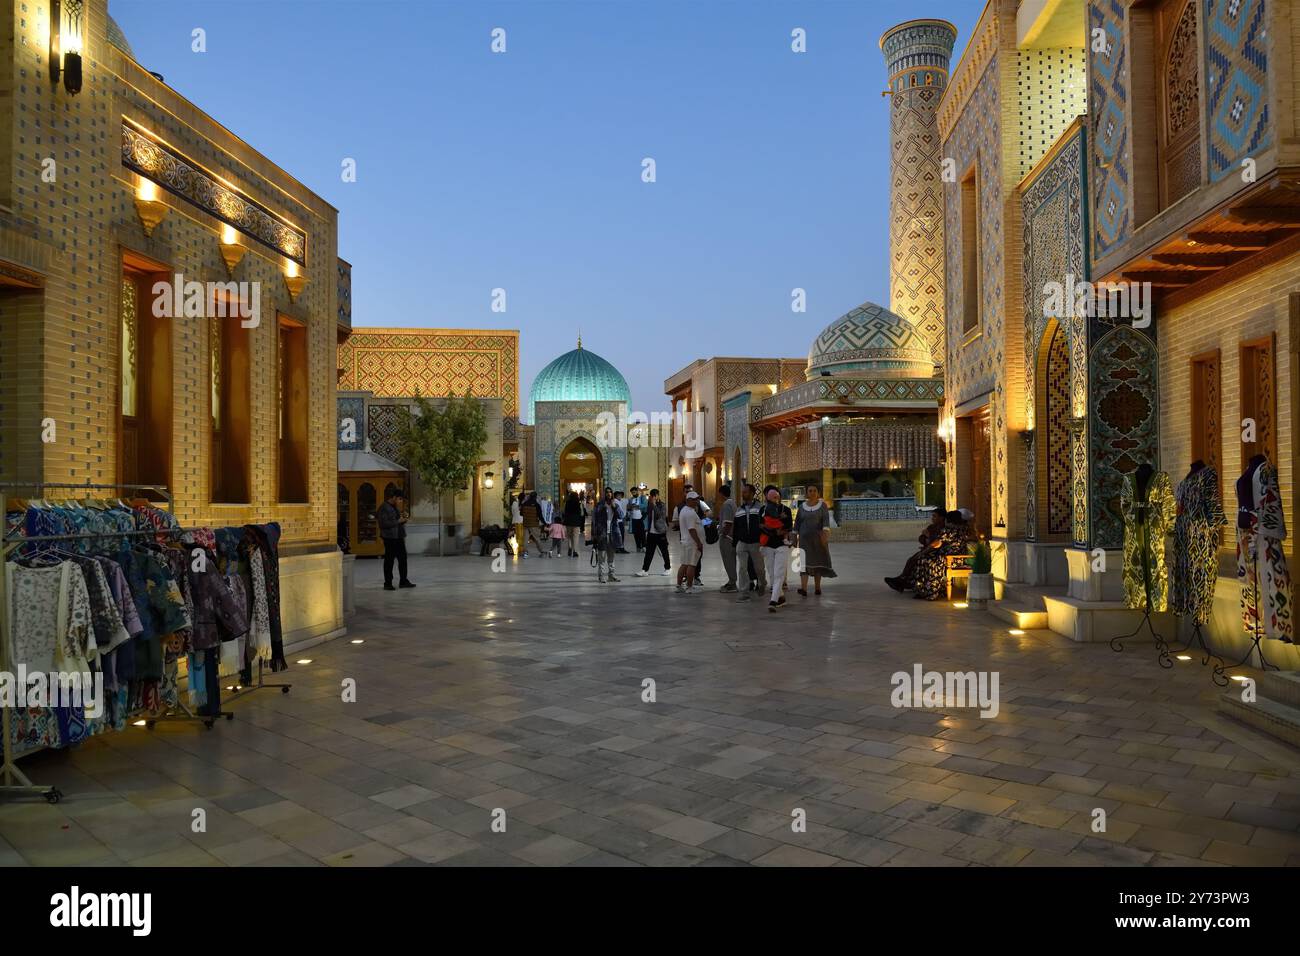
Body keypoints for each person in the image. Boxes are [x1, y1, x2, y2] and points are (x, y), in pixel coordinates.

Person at [912, 510, 971, 600]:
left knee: (925, 560)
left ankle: (930, 591)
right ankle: (931, 590)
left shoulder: (949, 530)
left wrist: (924, 551)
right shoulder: (965, 528)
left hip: (949, 559)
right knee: (925, 559)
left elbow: (937, 543)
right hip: (958, 558)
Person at [885, 509, 946, 591]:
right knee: (911, 560)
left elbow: (937, 542)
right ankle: (903, 580)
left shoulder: (943, 529)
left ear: (941, 518)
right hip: (927, 550)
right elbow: (921, 538)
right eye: (932, 516)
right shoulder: (932, 527)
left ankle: (903, 581)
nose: (932, 518)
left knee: (915, 560)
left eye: (935, 516)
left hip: (935, 552)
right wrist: (925, 538)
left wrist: (928, 536)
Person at [793, 484, 837, 597]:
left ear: (818, 493)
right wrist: (794, 535)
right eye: (810, 491)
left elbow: (826, 521)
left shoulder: (823, 506)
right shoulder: (802, 507)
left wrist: (825, 533)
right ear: (807, 493)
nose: (812, 493)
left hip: (818, 539)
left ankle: (817, 588)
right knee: (804, 564)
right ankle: (804, 588)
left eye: (814, 491)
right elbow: (797, 522)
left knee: (818, 563)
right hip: (804, 540)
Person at [758, 485, 792, 612]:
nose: (773, 498)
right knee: (772, 574)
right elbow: (760, 526)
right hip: (767, 546)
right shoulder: (762, 509)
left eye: (775, 496)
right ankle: (781, 598)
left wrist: (774, 530)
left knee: (779, 574)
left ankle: (773, 601)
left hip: (781, 546)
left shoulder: (786, 510)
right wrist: (774, 531)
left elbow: (788, 526)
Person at [733, 483, 767, 601]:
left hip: (755, 542)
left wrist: (764, 539)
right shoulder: (739, 510)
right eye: (742, 492)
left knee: (759, 568)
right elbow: (736, 528)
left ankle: (762, 583)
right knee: (742, 568)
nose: (743, 494)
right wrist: (735, 543)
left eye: (745, 492)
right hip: (742, 543)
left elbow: (765, 524)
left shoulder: (760, 508)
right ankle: (744, 593)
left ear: (752, 493)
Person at [377, 490, 415, 591]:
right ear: (393, 497)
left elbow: (396, 522)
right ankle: (388, 583)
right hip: (390, 538)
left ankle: (403, 581)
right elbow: (383, 524)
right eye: (399, 499)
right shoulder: (384, 508)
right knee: (389, 560)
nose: (400, 501)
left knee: (403, 559)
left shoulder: (395, 507)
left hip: (399, 537)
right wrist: (398, 521)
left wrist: (403, 519)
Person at [635, 488, 673, 576]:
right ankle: (645, 570)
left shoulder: (662, 505)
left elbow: (659, 515)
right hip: (651, 533)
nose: (653, 498)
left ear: (658, 496)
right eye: (652, 496)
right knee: (649, 552)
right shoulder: (649, 505)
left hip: (660, 532)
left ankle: (668, 568)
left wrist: (654, 505)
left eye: (655, 496)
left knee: (664, 551)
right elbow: (646, 514)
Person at [592, 487, 624, 583]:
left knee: (611, 556)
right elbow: (594, 520)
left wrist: (614, 506)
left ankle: (611, 575)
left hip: (613, 534)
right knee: (602, 556)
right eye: (607, 492)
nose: (609, 494)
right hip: (602, 534)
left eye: (610, 492)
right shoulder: (599, 505)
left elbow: (621, 516)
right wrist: (594, 535)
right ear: (604, 494)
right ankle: (601, 576)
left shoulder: (615, 504)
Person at [676, 493, 704, 593]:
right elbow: (692, 529)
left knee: (684, 564)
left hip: (685, 541)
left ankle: (679, 586)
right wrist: (699, 543)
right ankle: (689, 587)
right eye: (695, 500)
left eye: (697, 499)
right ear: (688, 500)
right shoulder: (690, 513)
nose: (697, 501)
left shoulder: (685, 510)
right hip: (692, 543)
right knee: (691, 565)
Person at [717, 484, 738, 593]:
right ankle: (732, 580)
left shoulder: (727, 504)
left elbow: (728, 523)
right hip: (731, 537)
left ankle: (732, 583)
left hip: (727, 538)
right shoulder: (733, 503)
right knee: (731, 560)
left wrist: (724, 534)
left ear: (721, 493)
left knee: (728, 560)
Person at [522, 492, 546, 558]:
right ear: (535, 497)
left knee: (525, 539)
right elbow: (540, 516)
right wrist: (545, 523)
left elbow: (521, 513)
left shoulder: (524, 504)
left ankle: (525, 553)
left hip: (526, 523)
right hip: (534, 524)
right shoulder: (537, 505)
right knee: (537, 538)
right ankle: (542, 552)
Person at [562, 490, 584, 557]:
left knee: (569, 536)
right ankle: (575, 551)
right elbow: (582, 513)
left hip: (568, 521)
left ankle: (570, 547)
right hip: (576, 522)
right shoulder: (579, 503)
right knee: (575, 537)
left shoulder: (566, 503)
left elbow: (563, 511)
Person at [628, 485, 647, 552]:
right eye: (632, 492)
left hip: (641, 518)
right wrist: (630, 507)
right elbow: (629, 508)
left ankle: (644, 546)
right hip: (633, 519)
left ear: (637, 492)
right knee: (636, 534)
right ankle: (638, 546)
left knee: (642, 533)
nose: (634, 493)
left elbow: (645, 505)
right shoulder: (630, 499)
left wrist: (638, 506)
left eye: (635, 492)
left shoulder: (642, 498)